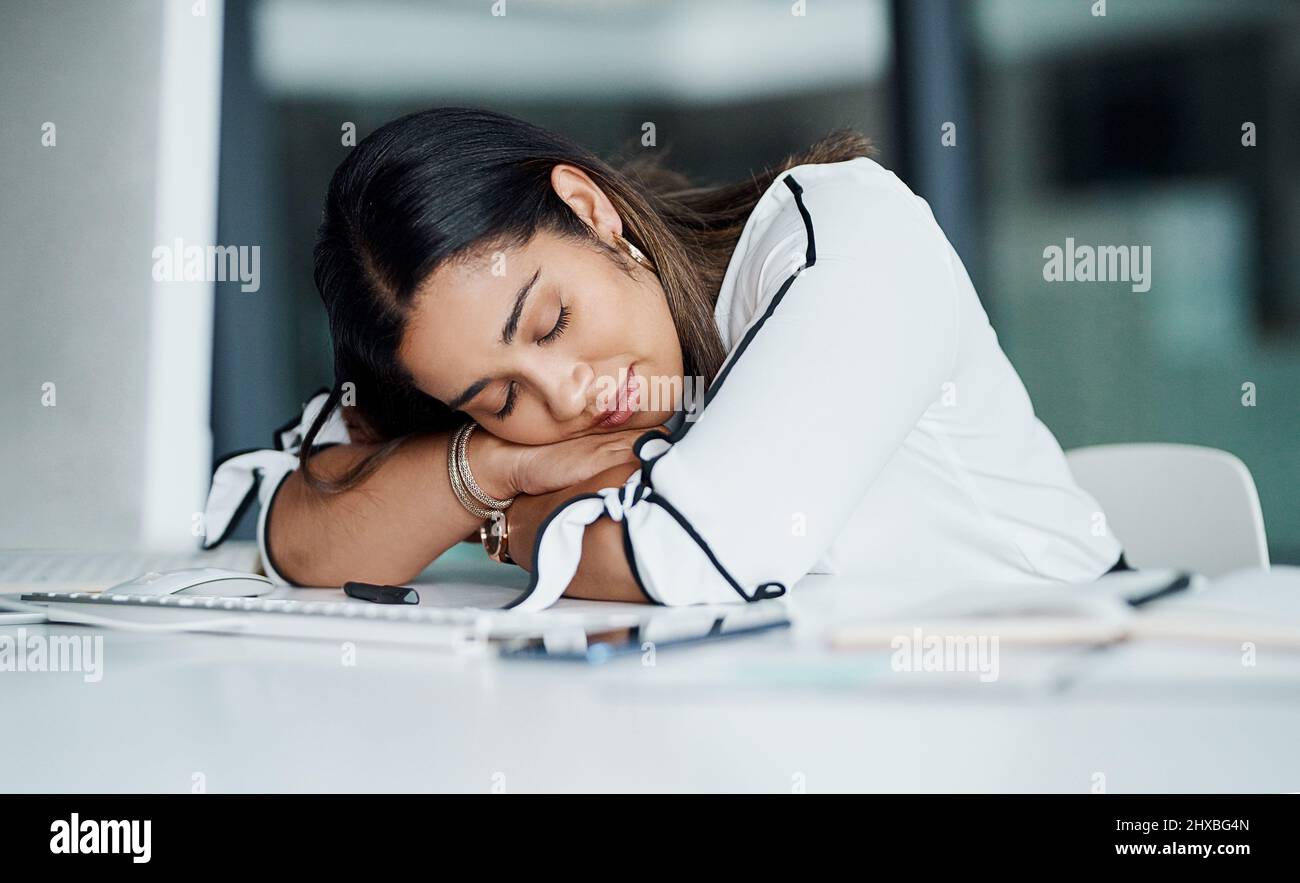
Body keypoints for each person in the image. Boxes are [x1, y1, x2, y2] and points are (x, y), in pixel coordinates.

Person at [200, 106, 1129, 609]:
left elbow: (691, 555)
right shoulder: (518, 427)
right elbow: (301, 532)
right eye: (498, 398)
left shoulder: (850, 232)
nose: (565, 394)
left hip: (1085, 695)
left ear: (591, 210)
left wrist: (493, 520)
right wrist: (495, 463)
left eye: (551, 321)